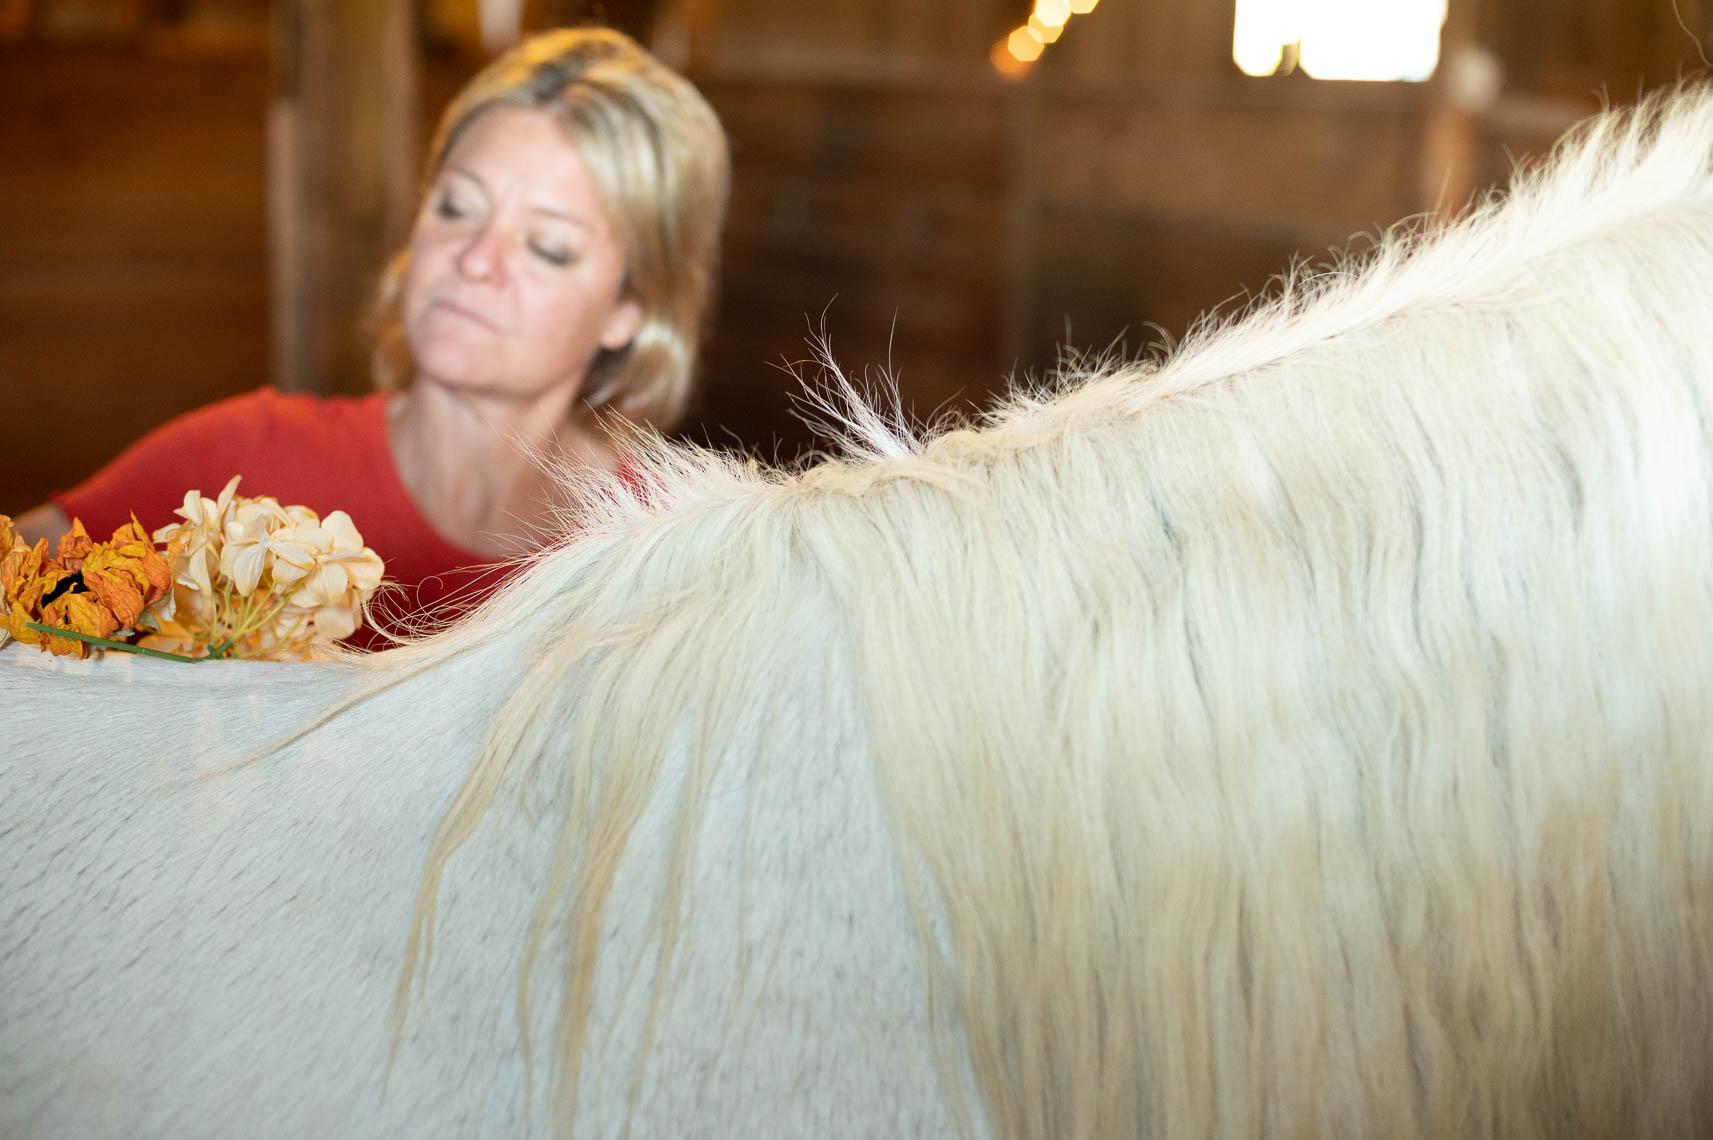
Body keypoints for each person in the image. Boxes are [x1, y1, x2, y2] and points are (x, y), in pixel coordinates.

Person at [12, 26, 730, 649]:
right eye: (456, 206)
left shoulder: (668, 548)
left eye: (547, 246)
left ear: (630, 309)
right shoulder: (238, 473)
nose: (474, 260)